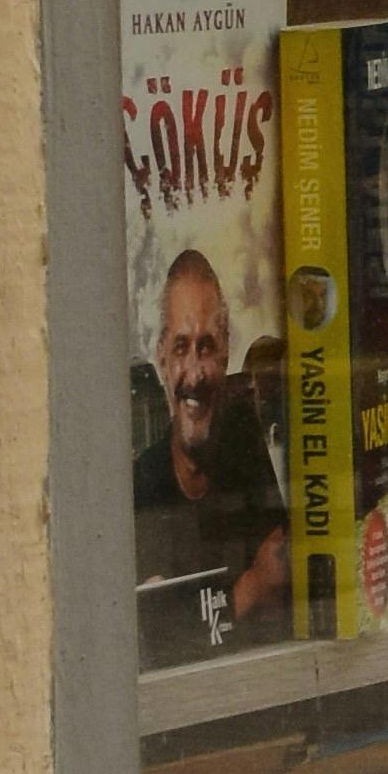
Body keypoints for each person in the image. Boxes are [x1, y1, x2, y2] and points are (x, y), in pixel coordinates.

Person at [135, 244, 287, 633]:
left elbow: (283, 575)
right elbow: (163, 637)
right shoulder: (142, 485)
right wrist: (249, 589)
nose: (194, 373)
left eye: (207, 347)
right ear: (162, 360)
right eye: (181, 347)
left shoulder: (249, 449)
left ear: (226, 354)